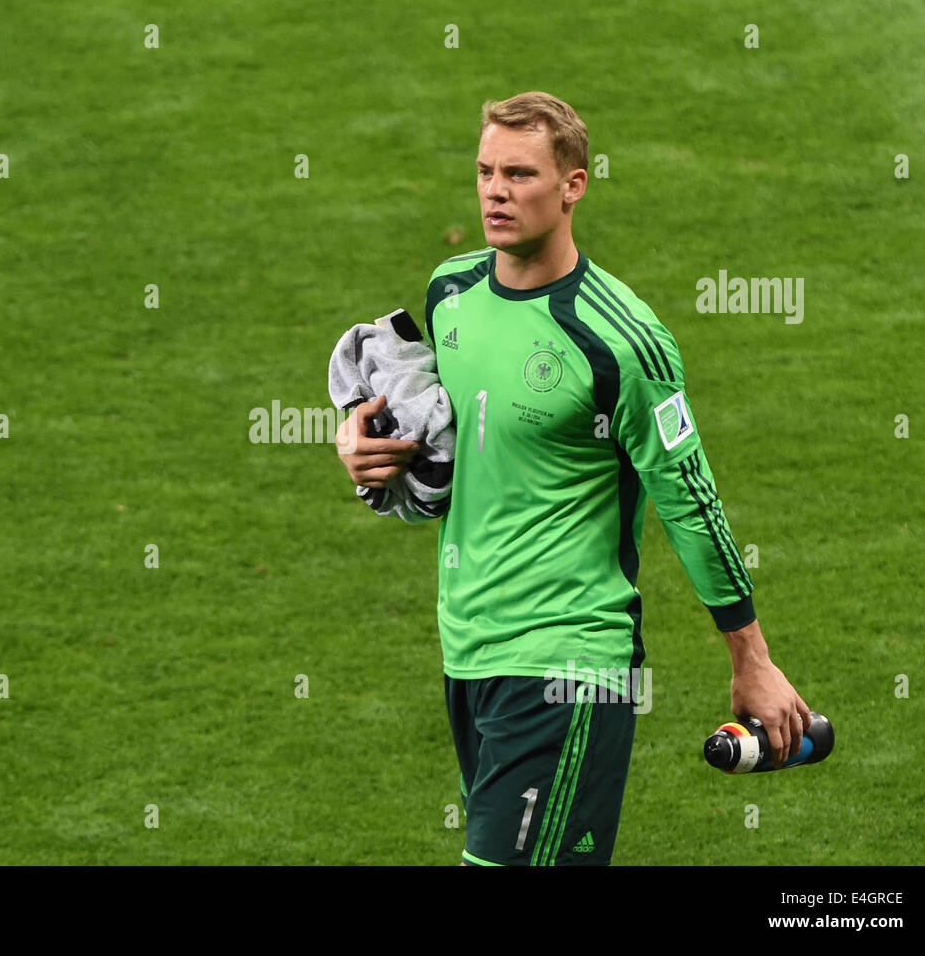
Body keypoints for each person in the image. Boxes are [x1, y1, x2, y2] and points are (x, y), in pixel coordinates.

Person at [334, 91, 812, 866]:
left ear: (573, 186)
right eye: (485, 171)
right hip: (469, 649)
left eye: (519, 174)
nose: (495, 190)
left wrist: (749, 658)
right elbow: (441, 447)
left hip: (568, 663)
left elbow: (690, 500)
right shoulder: (449, 293)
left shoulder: (621, 341)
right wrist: (361, 450)